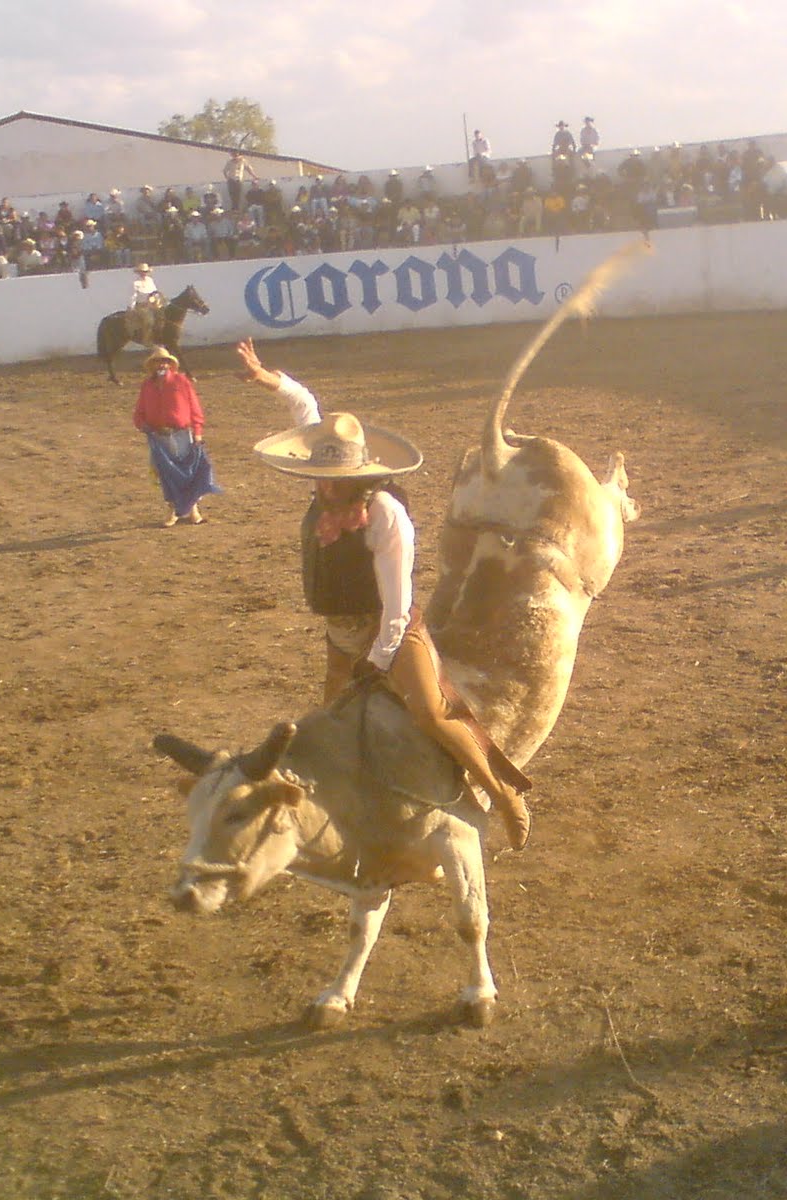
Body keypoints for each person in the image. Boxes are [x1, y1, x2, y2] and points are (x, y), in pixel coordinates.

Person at [235, 338, 533, 850]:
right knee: (332, 724)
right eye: (320, 475)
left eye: (333, 478)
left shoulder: (385, 515)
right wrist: (269, 380)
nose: (324, 486)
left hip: (388, 632)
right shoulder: (329, 491)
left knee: (432, 711)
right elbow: (308, 412)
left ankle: (503, 792)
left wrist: (376, 660)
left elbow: (396, 601)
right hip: (340, 632)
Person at [133, 346, 219, 526]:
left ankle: (193, 510)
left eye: (165, 361)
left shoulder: (181, 381)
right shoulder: (147, 385)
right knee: (166, 474)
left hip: (181, 433)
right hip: (159, 436)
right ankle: (173, 510)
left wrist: (197, 432)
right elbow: (139, 412)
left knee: (188, 471)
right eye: (158, 362)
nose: (161, 365)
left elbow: (195, 408)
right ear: (153, 366)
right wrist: (143, 426)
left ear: (170, 364)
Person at [127, 262, 163, 343]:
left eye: (145, 272)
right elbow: (133, 296)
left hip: (153, 304)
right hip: (141, 306)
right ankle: (146, 340)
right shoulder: (136, 283)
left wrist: (158, 300)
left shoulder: (150, 280)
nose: (144, 274)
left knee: (163, 316)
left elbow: (155, 291)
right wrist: (131, 307)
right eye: (142, 272)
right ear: (139, 273)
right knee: (149, 321)